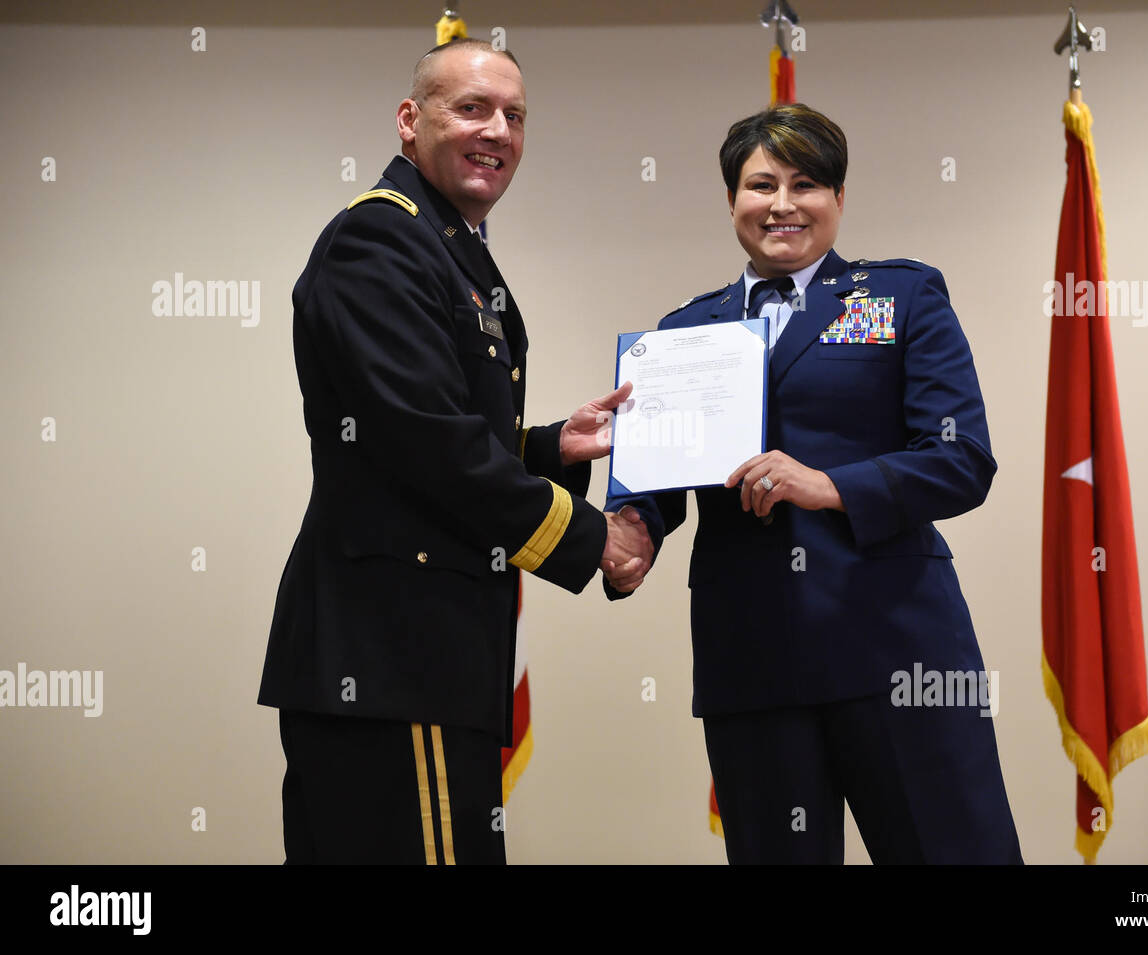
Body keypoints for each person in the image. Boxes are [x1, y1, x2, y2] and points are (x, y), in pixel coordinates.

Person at [258, 37, 651, 865]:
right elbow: (428, 443)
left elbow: (430, 427)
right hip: (393, 656)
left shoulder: (448, 245)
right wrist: (592, 537)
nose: (498, 131)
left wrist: (547, 445)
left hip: (425, 657)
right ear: (411, 120)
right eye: (472, 108)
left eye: (514, 116)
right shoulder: (380, 242)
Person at [603, 104, 1022, 864]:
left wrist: (827, 484)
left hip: (899, 651)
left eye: (808, 184)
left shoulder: (902, 298)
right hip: (752, 662)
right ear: (732, 200)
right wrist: (629, 529)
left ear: (838, 198)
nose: (784, 203)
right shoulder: (683, 333)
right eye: (762, 184)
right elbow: (656, 485)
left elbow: (961, 460)